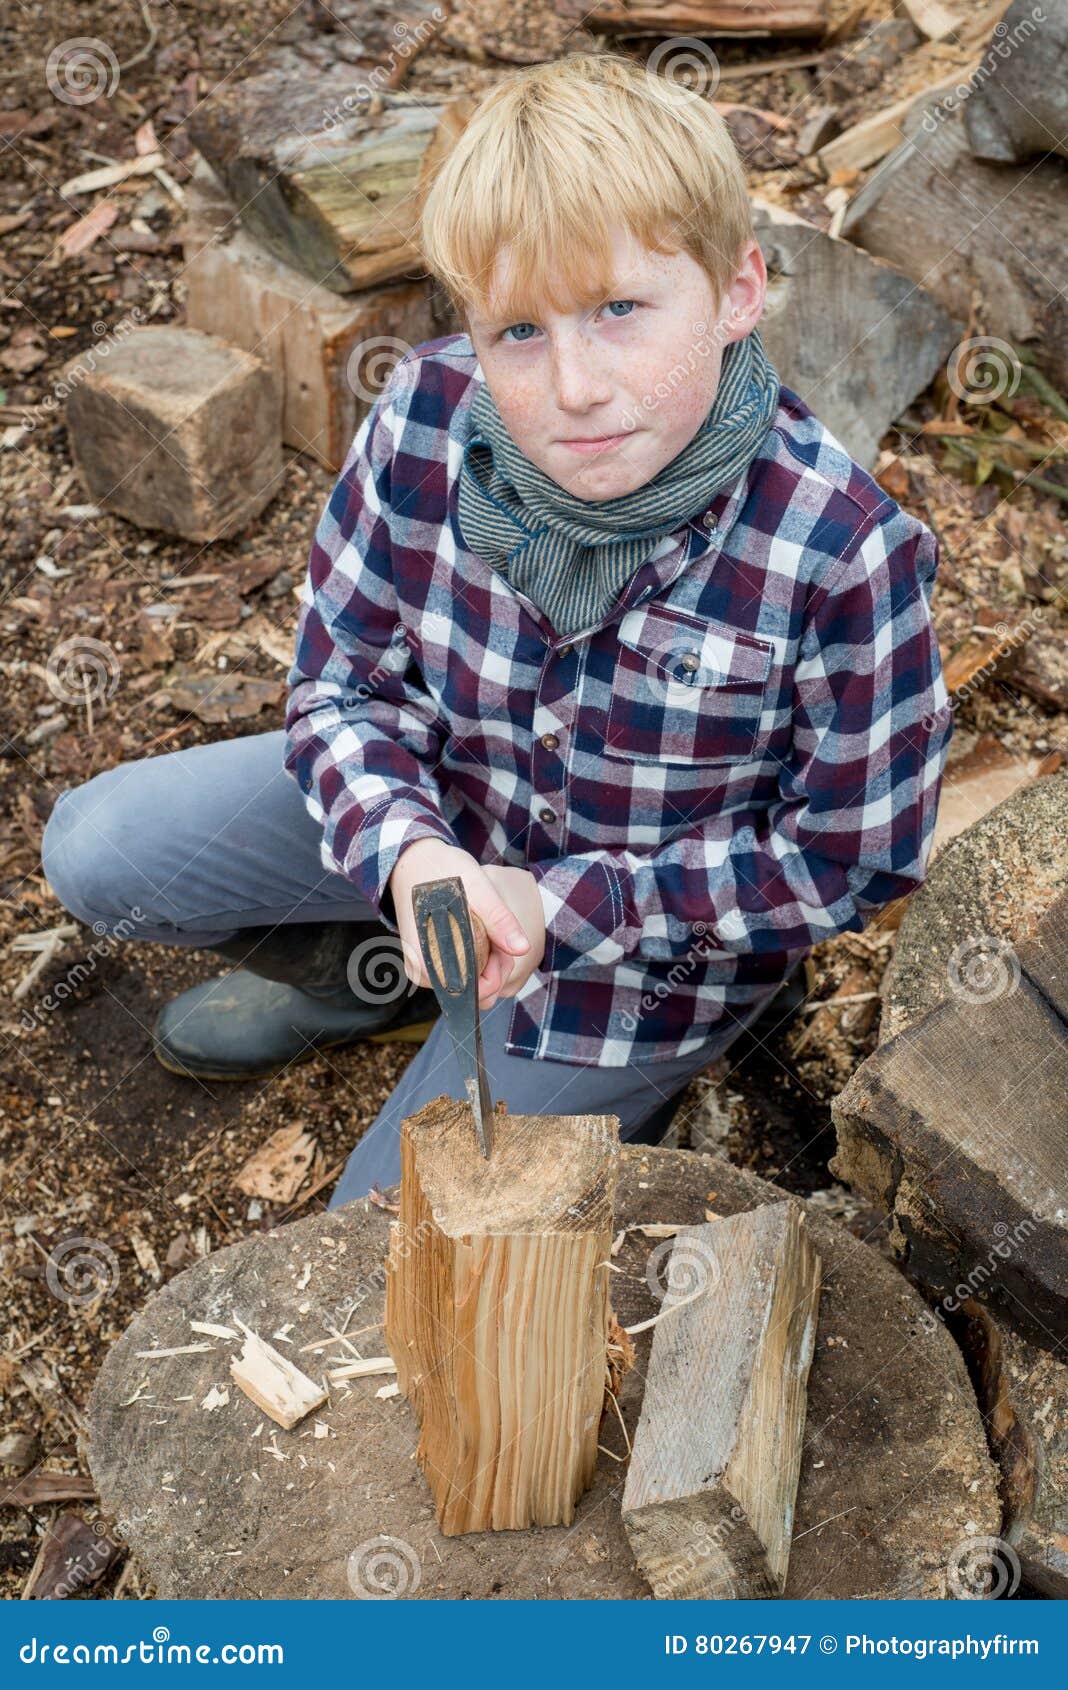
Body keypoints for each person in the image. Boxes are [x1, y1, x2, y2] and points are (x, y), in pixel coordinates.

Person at [41, 53, 953, 1208]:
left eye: (620, 309)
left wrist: (561, 907)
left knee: (374, 1244)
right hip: (452, 823)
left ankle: (629, 1069)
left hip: (640, 963)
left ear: (736, 291)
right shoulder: (423, 417)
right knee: (97, 846)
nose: (574, 384)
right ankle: (371, 975)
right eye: (517, 331)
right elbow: (342, 691)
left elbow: (848, 859)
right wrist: (412, 856)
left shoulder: (842, 549)